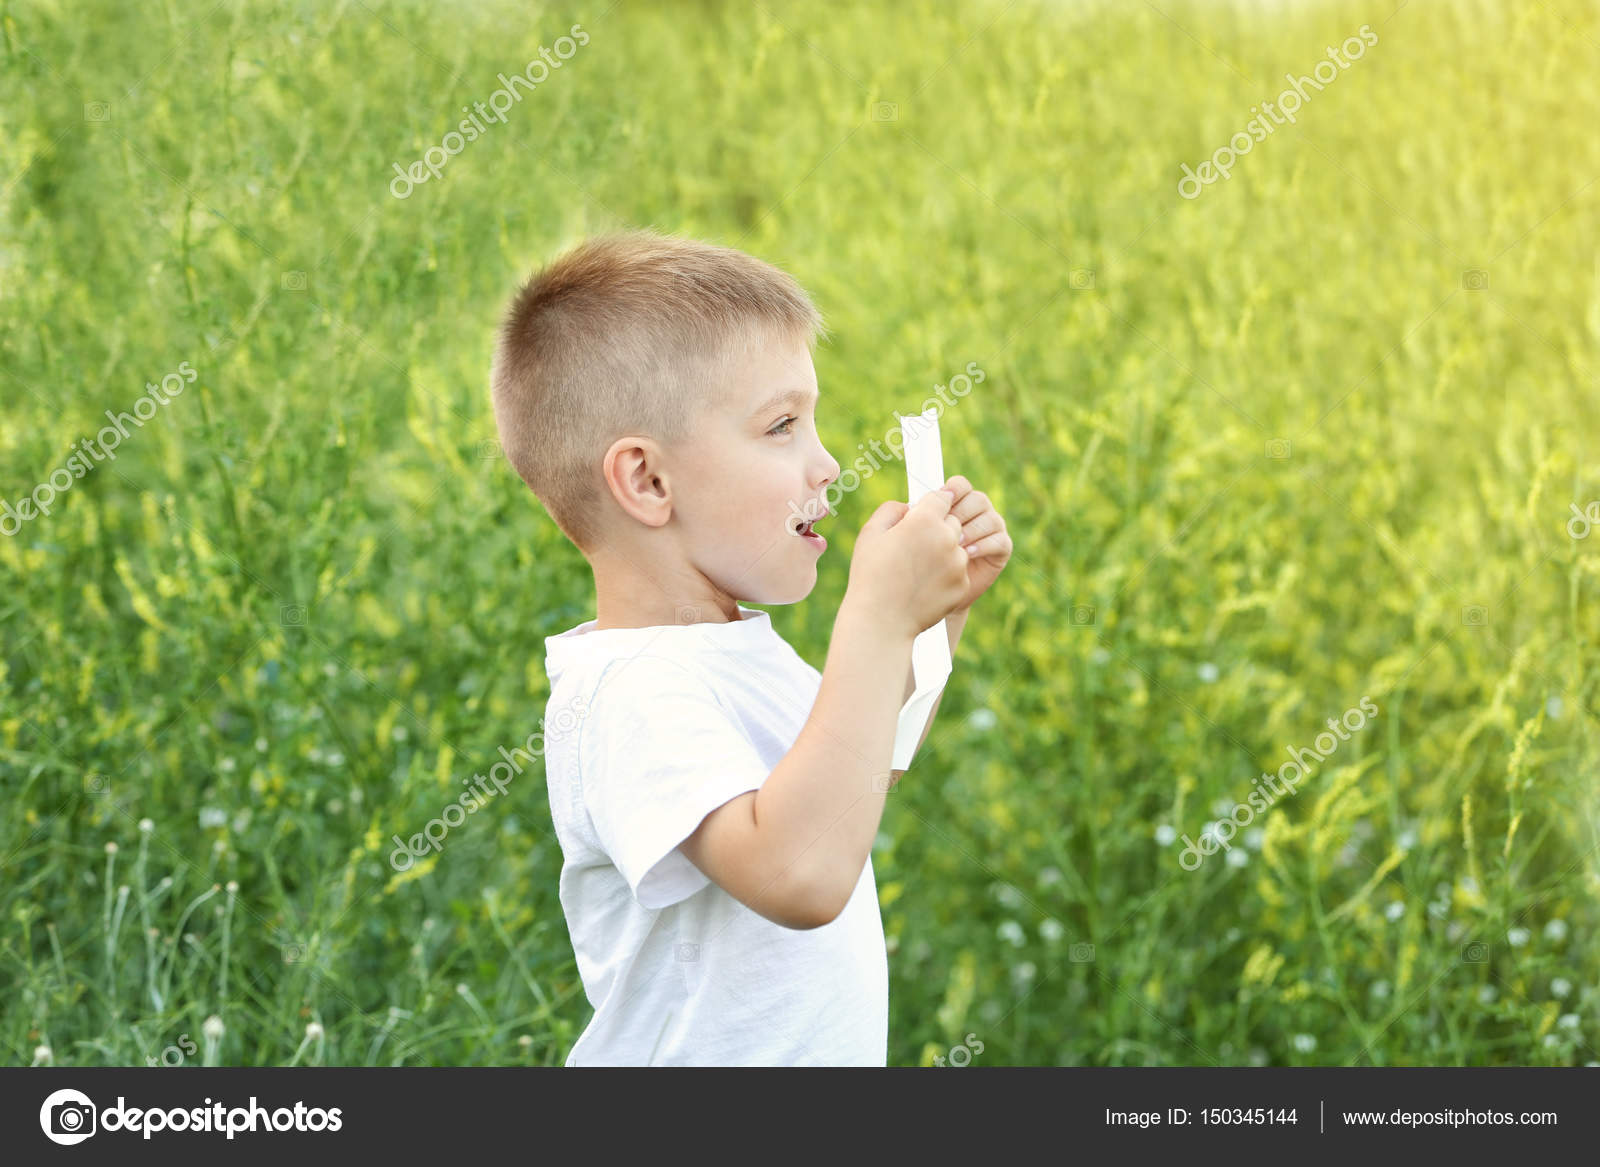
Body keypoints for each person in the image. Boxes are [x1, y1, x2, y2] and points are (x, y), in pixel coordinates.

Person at [489, 229, 1011, 1065]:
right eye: (781, 428)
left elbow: (860, 773)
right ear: (649, 481)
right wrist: (874, 618)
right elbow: (799, 872)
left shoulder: (732, 649)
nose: (828, 464)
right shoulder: (634, 692)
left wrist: (930, 621)